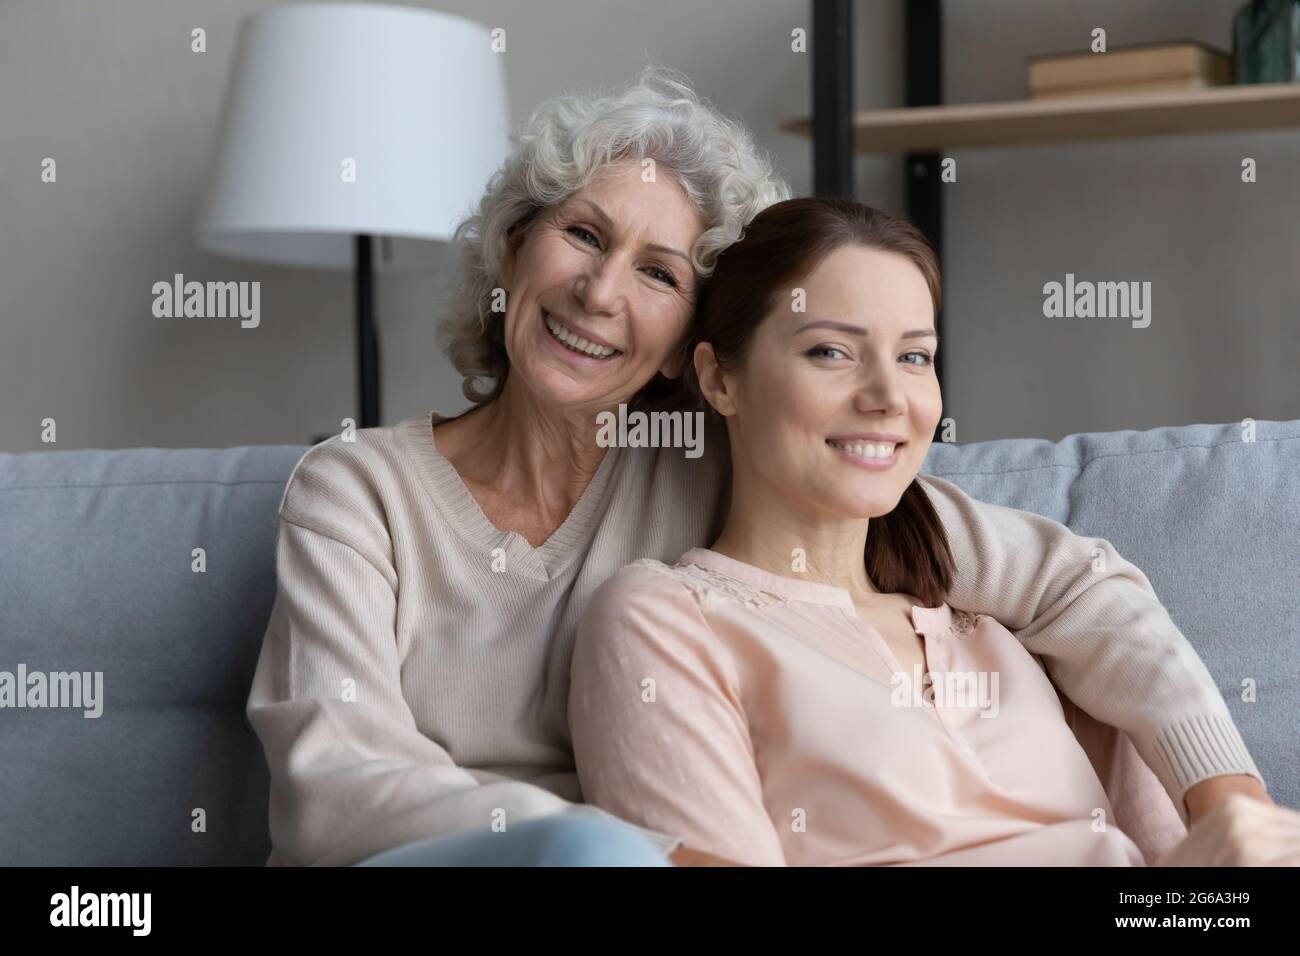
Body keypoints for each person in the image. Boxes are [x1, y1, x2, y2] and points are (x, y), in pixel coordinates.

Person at [245, 66, 1270, 868]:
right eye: (580, 235)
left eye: (658, 272)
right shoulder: (356, 489)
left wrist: (1226, 803)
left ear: (699, 335)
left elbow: (1065, 579)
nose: (601, 292)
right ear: (513, 251)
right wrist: (634, 846)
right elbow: (333, 780)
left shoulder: (711, 465)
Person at [569, 197, 1300, 866]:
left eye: (914, 356)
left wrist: (1228, 823)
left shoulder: (1013, 635)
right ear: (719, 378)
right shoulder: (665, 621)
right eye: (831, 351)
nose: (889, 397)